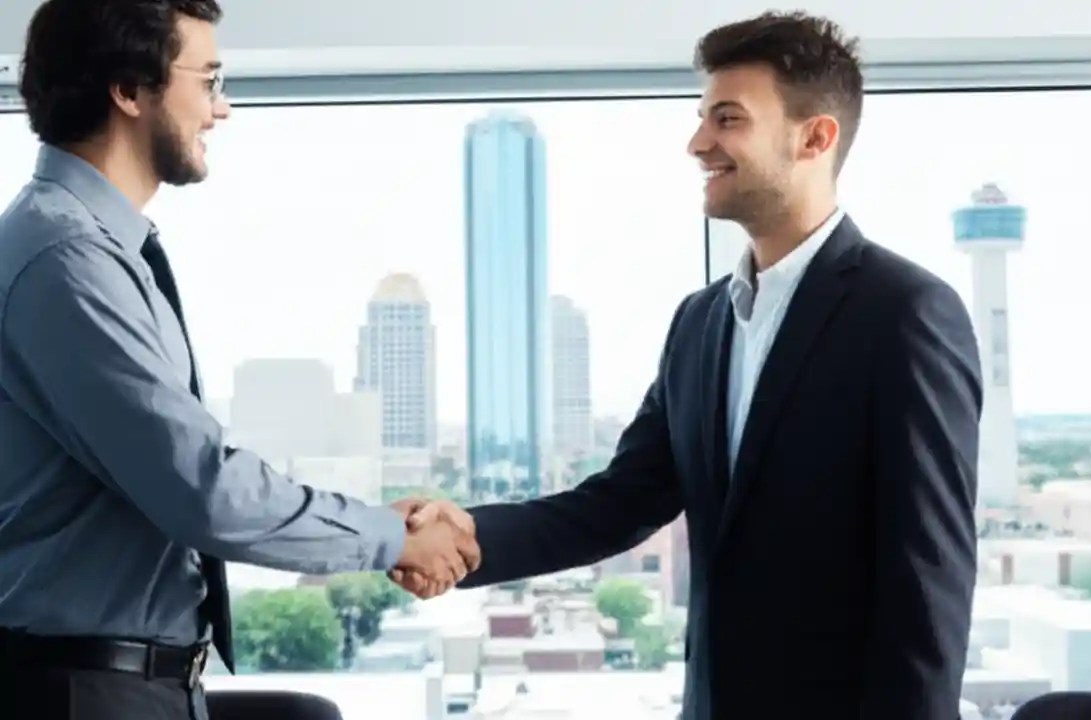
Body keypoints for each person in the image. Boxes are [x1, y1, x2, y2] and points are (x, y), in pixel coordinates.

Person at [397, 11, 983, 719]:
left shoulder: (906, 314)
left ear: (814, 137)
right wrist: (466, 538)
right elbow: (618, 504)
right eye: (703, 118)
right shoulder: (699, 324)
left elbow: (928, 583)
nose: (697, 143)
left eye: (727, 119)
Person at [0, 2, 477, 718]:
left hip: (125, 684)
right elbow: (201, 488)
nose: (220, 109)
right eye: (209, 78)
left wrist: (377, 524)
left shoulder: (86, 248)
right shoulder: (69, 262)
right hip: (84, 691)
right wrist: (386, 538)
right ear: (129, 90)